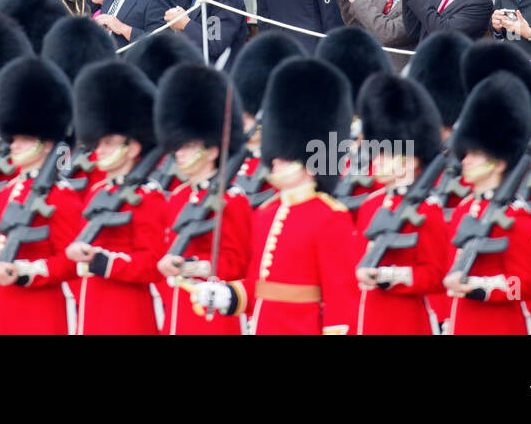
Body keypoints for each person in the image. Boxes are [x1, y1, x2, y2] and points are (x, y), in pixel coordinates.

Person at [194, 57, 360, 334]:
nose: (277, 161)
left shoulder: (330, 217)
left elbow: (342, 303)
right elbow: (258, 285)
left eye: (287, 154)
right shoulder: (265, 212)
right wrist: (228, 295)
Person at [67, 60, 168, 334]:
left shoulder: (148, 196)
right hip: (93, 309)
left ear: (133, 147)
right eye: (99, 142)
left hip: (128, 314)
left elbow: (152, 263)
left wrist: (104, 262)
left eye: (109, 143)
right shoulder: (99, 191)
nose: (100, 150)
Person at [0, 56, 82, 335]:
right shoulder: (7, 192)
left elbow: (70, 261)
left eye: (24, 140)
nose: (14, 146)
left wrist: (28, 271)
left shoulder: (62, 195)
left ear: (46, 143)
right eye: (13, 139)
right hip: (6, 308)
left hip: (43, 312)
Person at [155, 64, 252, 335]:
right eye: (179, 147)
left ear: (211, 151)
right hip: (176, 312)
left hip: (213, 315)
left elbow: (239, 262)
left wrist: (194, 265)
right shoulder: (177, 197)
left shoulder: (231, 199)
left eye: (188, 147)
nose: (180, 154)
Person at [441, 72, 531, 334]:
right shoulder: (463, 209)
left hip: (500, 325)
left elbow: (526, 284)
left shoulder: (516, 215)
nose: (465, 160)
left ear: (499, 161)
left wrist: (481, 288)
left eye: (475, 154)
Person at [352, 74, 448, 335]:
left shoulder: (427, 209)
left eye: (388, 153)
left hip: (406, 321)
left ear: (413, 158)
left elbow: (435, 274)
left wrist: (391, 277)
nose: (379, 160)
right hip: (367, 317)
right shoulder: (371, 205)